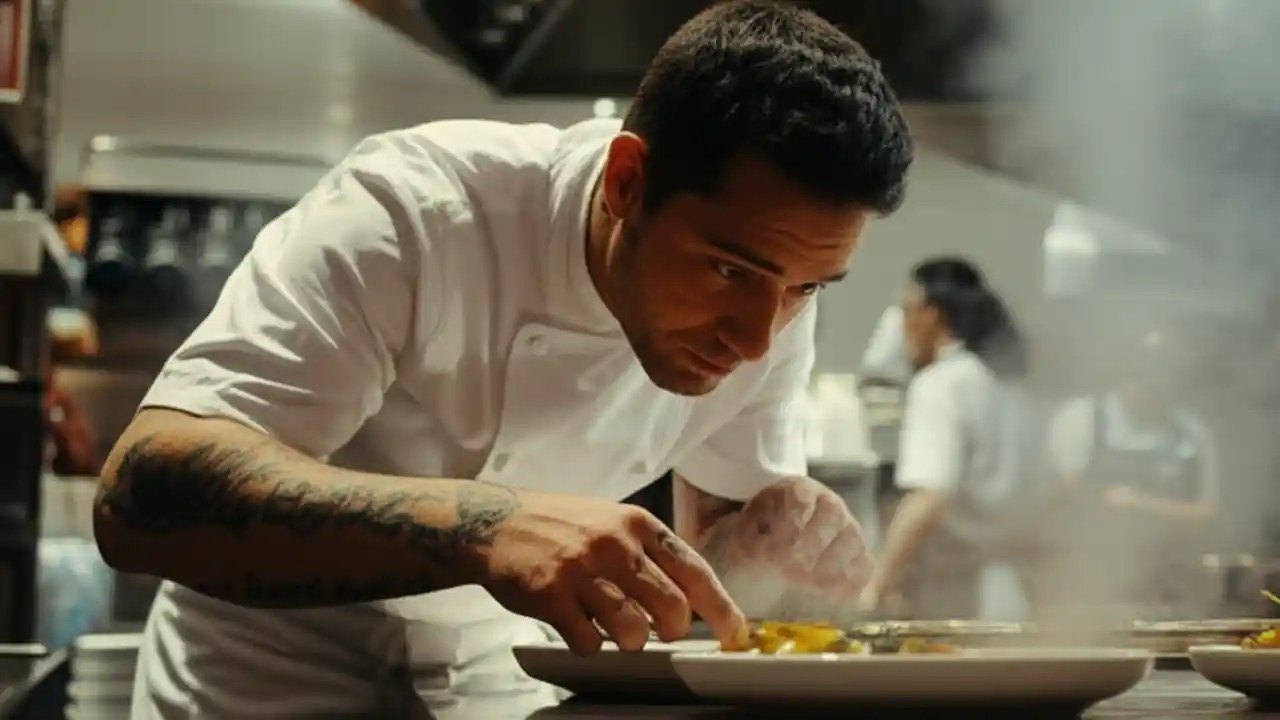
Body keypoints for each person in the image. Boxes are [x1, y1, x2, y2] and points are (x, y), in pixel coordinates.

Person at [91, 2, 914, 717]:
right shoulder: (413, 213)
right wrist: (488, 526)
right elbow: (143, 493)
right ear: (627, 182)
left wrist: (763, 553)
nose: (756, 340)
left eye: (807, 288)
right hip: (258, 674)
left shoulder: (771, 301)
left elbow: (712, 571)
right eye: (728, 269)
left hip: (496, 678)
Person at [859, 258, 1040, 620]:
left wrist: (874, 584)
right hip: (1014, 587)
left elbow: (931, 496)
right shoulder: (1005, 383)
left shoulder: (942, 384)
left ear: (931, 315)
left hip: (960, 592)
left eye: (907, 311)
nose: (903, 327)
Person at [1040, 328, 1219, 610]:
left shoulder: (1191, 433)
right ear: (1123, 373)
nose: (1149, 389)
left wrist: (1137, 502)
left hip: (1168, 586)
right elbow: (1057, 498)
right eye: (1141, 377)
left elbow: (1206, 511)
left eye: (1160, 378)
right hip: (1088, 580)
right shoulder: (1080, 419)